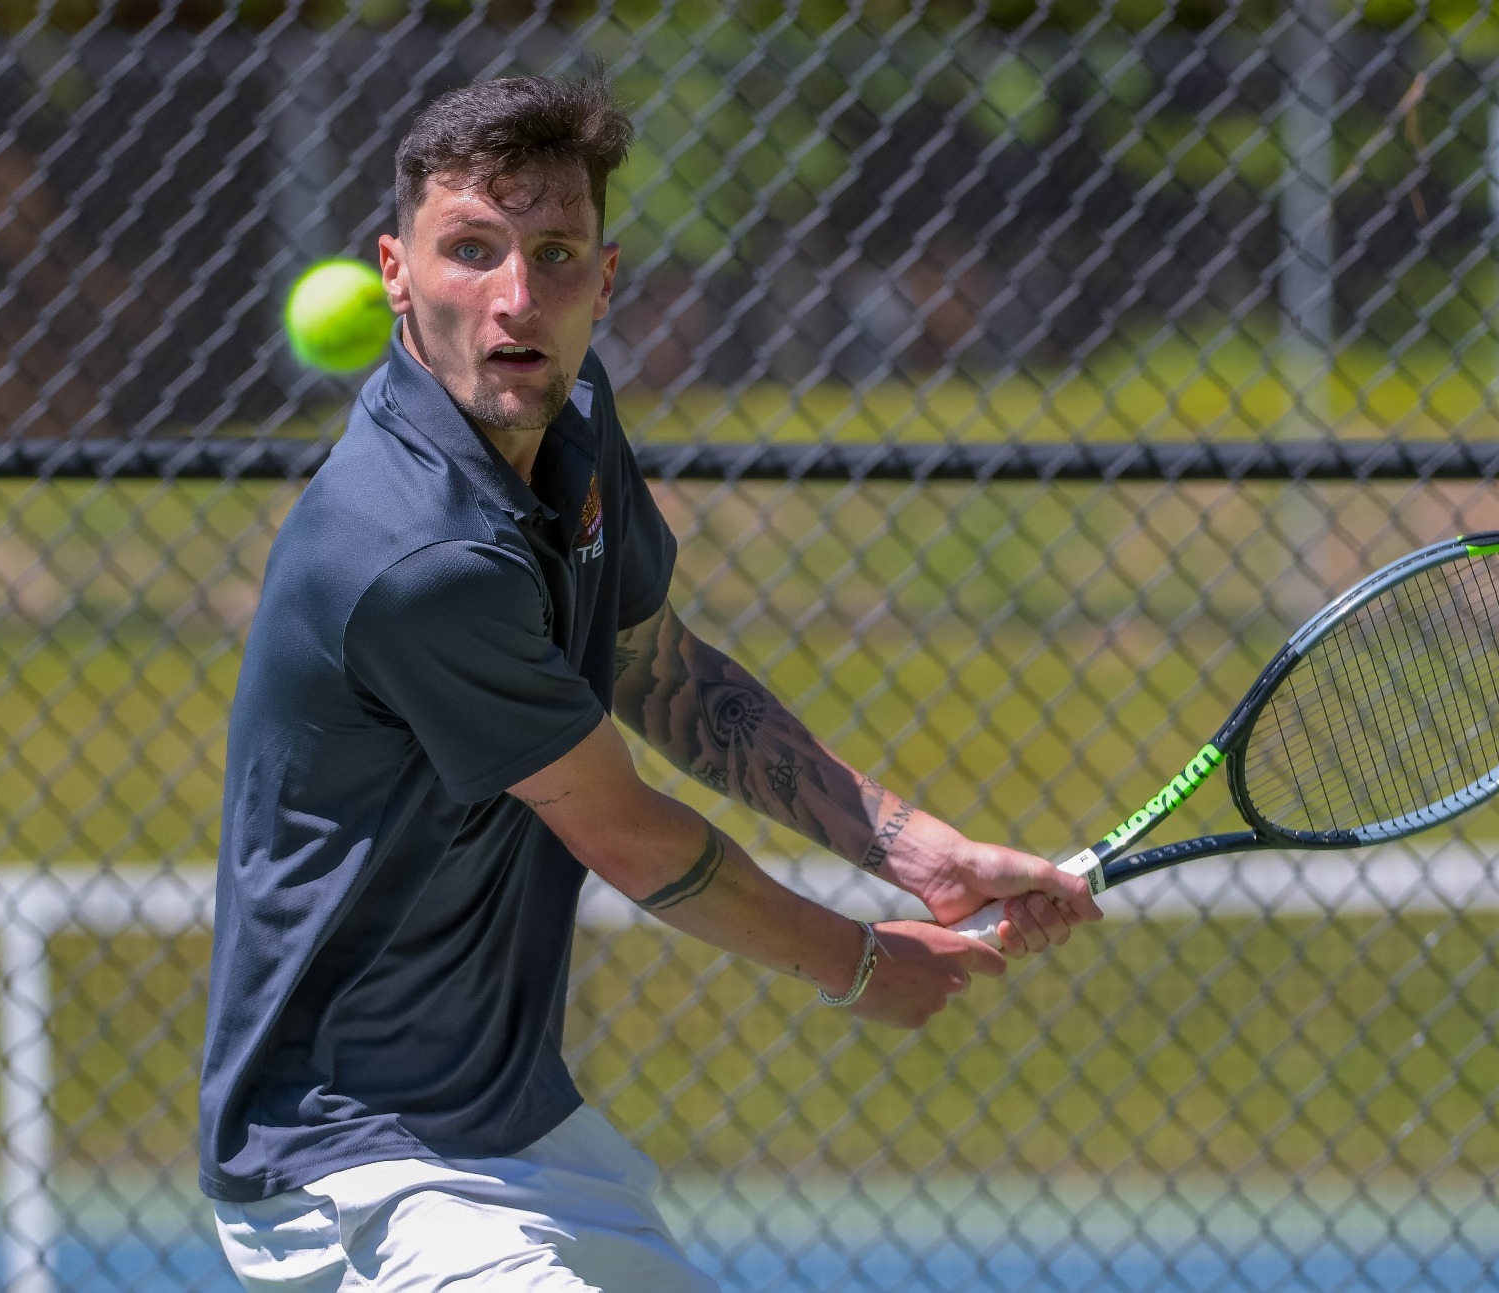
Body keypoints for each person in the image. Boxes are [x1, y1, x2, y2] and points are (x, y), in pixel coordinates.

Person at [201, 71, 1102, 1292]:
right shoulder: (413, 554)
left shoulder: (567, 415)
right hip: (355, 1164)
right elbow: (627, 835)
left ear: (606, 281)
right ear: (393, 274)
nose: (515, 299)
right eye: (469, 250)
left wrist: (914, 850)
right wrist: (859, 965)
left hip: (507, 1128)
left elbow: (656, 667)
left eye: (554, 254)